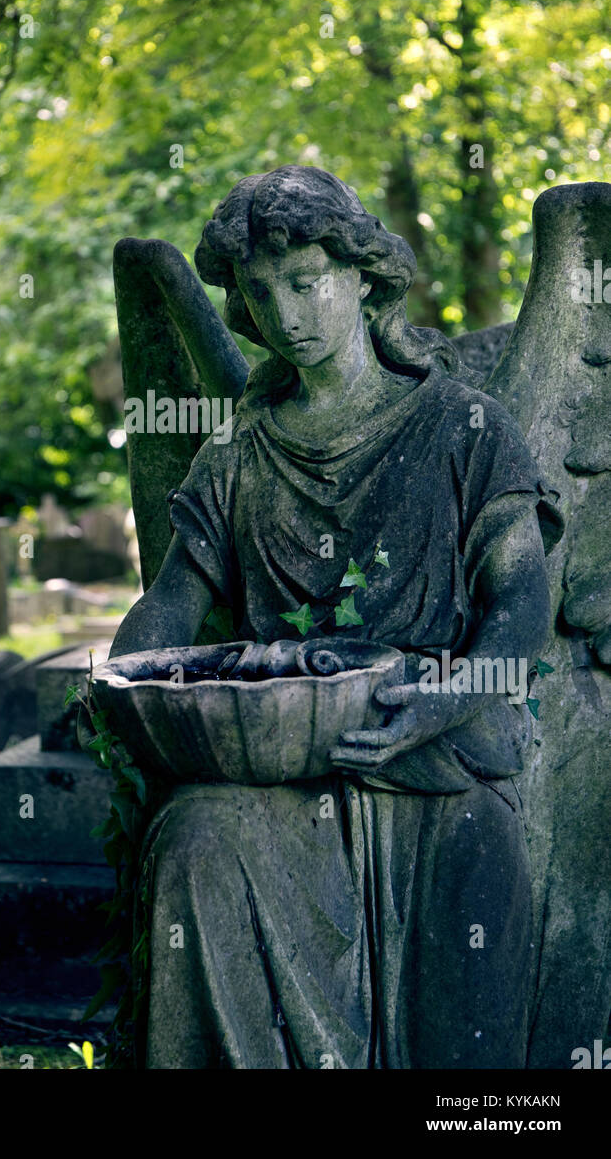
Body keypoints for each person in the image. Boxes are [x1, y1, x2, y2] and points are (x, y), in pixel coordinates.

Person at [110, 165, 556, 1069]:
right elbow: (173, 597)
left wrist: (442, 701)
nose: (284, 314)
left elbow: (523, 603)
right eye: (259, 292)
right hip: (284, 767)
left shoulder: (467, 428)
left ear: (363, 276)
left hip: (444, 758)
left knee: (468, 1055)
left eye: (305, 282)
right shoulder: (241, 447)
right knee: (194, 836)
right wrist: (127, 681)